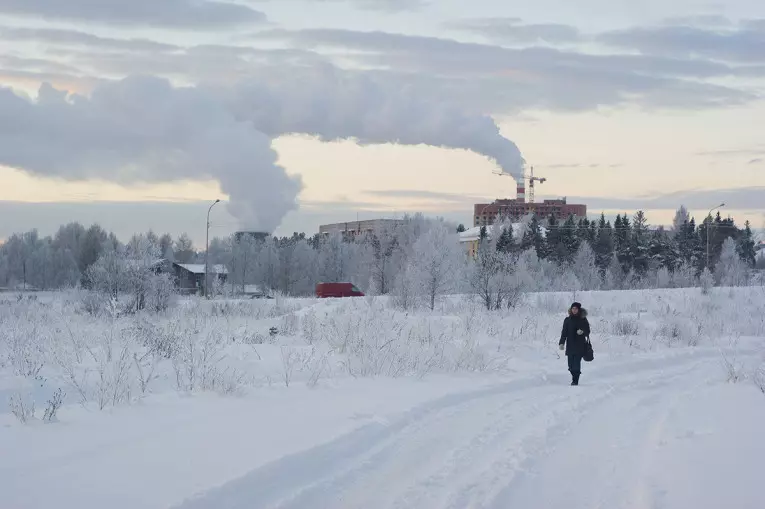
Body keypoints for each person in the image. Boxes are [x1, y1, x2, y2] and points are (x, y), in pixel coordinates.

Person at [559, 302, 590, 386]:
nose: (574, 310)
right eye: (573, 308)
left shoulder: (583, 319)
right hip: (570, 345)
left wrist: (582, 331)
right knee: (570, 366)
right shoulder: (567, 320)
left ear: (578, 310)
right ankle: (574, 376)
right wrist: (561, 343)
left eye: (576, 309)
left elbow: (588, 331)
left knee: (576, 364)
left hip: (580, 345)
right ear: (571, 309)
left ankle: (575, 380)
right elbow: (564, 333)